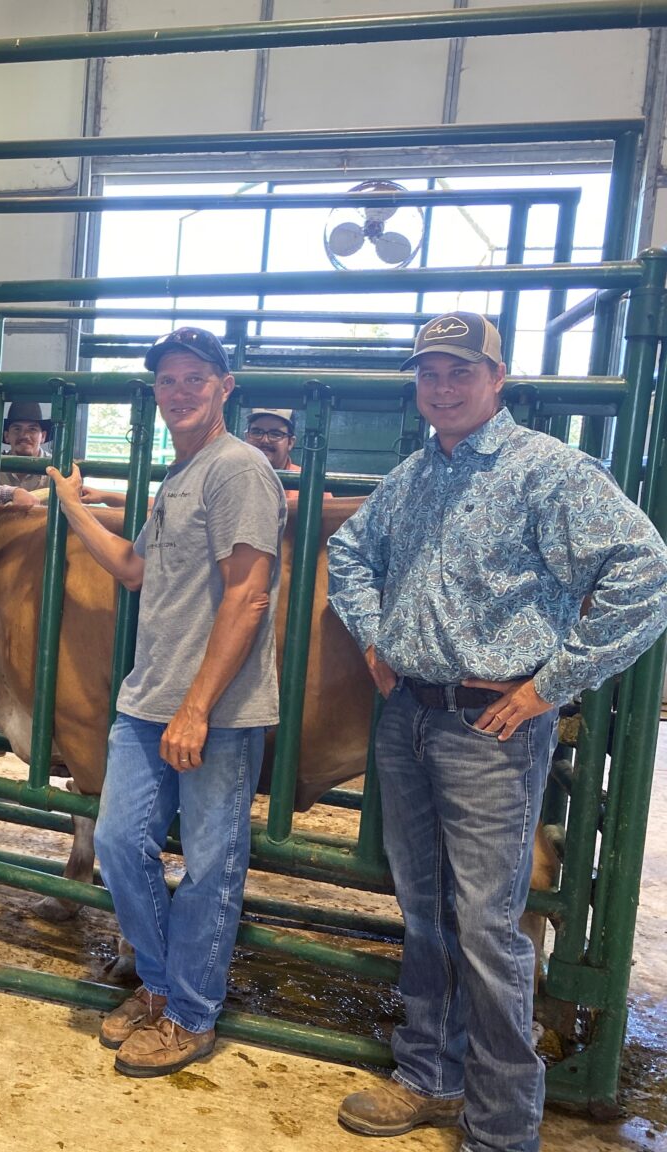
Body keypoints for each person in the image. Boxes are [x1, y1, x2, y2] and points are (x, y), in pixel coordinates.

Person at [327, 311, 667, 1152]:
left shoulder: (549, 471)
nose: (442, 388)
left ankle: (504, 1125)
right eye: (429, 372)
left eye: (460, 371)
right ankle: (429, 1074)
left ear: (497, 378)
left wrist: (550, 685)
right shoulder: (413, 475)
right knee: (425, 907)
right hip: (410, 713)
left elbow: (646, 570)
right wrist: (373, 638)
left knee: (486, 924)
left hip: (490, 725)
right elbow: (350, 554)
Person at [46, 326, 286, 1077]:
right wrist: (72, 506)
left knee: (212, 865)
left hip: (216, 711)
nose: (179, 391)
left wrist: (197, 707)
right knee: (120, 844)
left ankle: (191, 1013)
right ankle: (157, 984)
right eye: (168, 380)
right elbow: (133, 568)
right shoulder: (182, 473)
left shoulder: (238, 469)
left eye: (195, 378)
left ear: (225, 387)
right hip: (148, 699)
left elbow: (248, 596)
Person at [244, 408, 299, 472]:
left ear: (290, 443)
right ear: (246, 437)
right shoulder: (234, 474)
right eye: (257, 432)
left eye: (275, 434)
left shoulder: (303, 477)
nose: (265, 440)